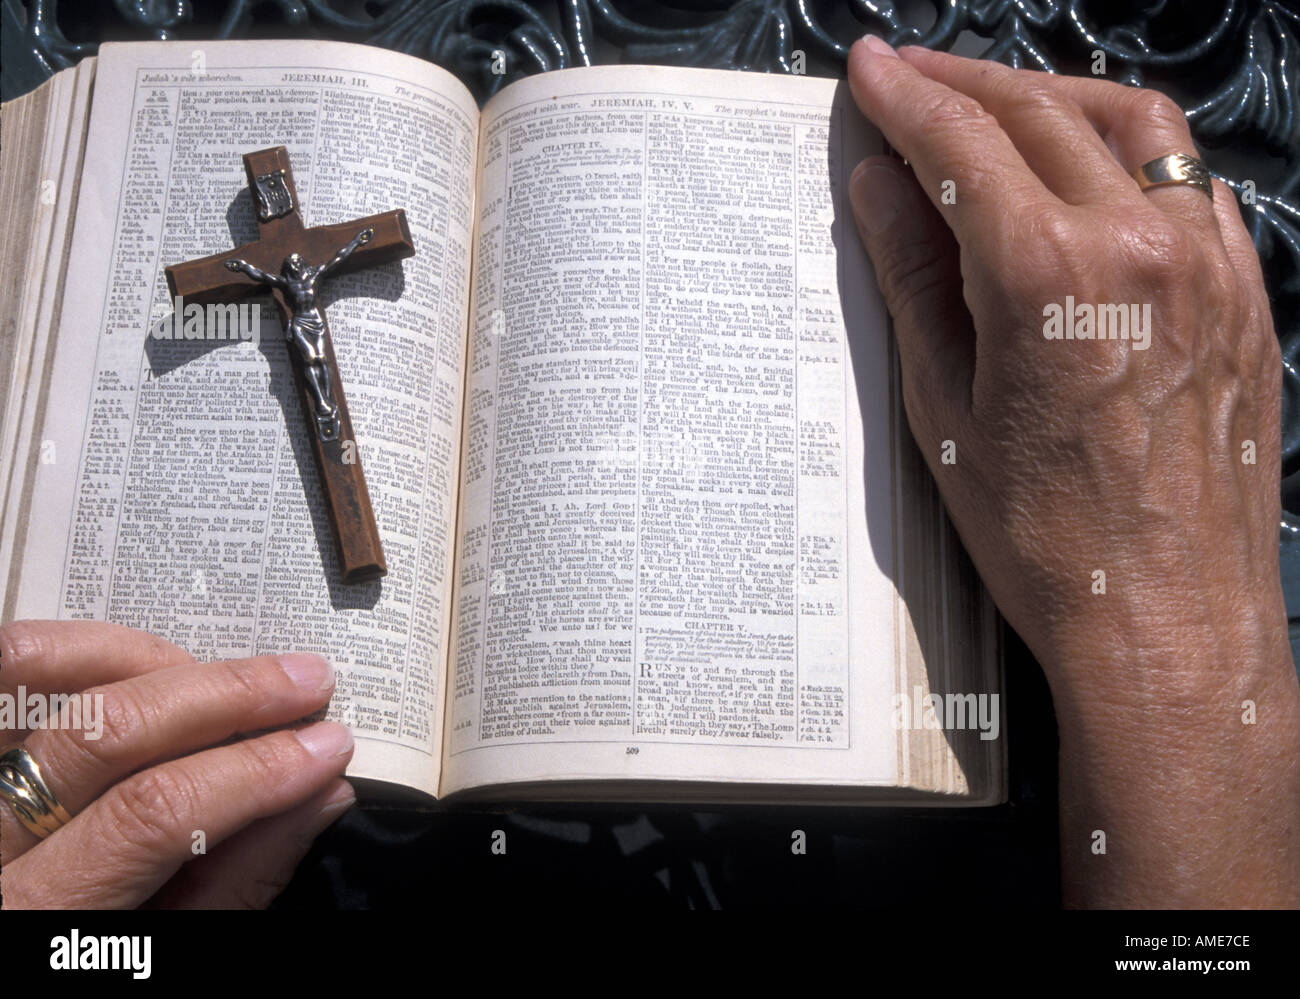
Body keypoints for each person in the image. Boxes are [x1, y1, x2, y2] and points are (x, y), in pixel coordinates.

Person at [2, 38, 1296, 908]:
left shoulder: (312, 251)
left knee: (332, 420)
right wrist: (1184, 663)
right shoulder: (276, 271)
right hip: (305, 352)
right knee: (331, 417)